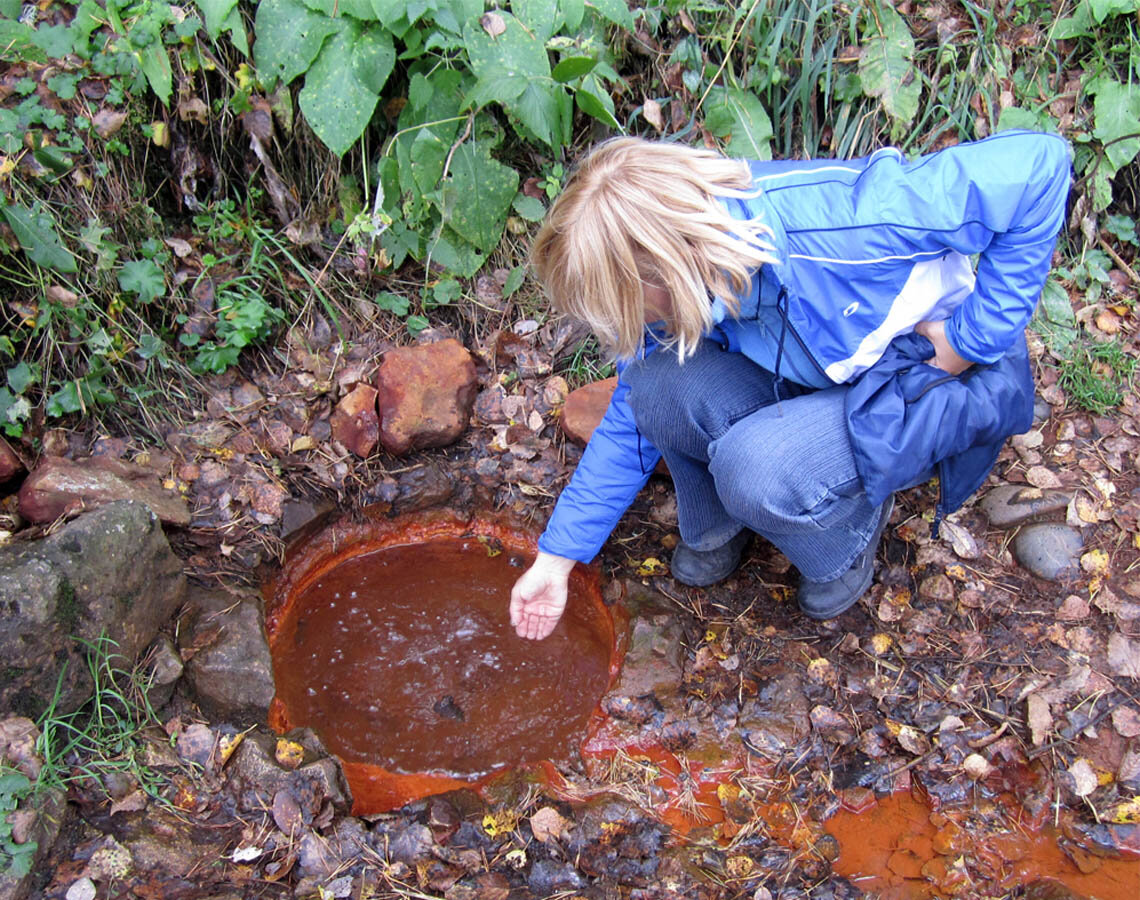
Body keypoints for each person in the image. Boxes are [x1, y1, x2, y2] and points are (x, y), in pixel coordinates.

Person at [509, 131, 1072, 641]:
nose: (622, 324)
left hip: (925, 382)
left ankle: (846, 541)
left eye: (621, 306)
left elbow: (1040, 166)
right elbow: (635, 417)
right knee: (655, 386)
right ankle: (719, 524)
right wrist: (557, 558)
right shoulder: (695, 268)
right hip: (823, 370)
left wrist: (971, 338)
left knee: (753, 467)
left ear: (664, 266)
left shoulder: (849, 222)